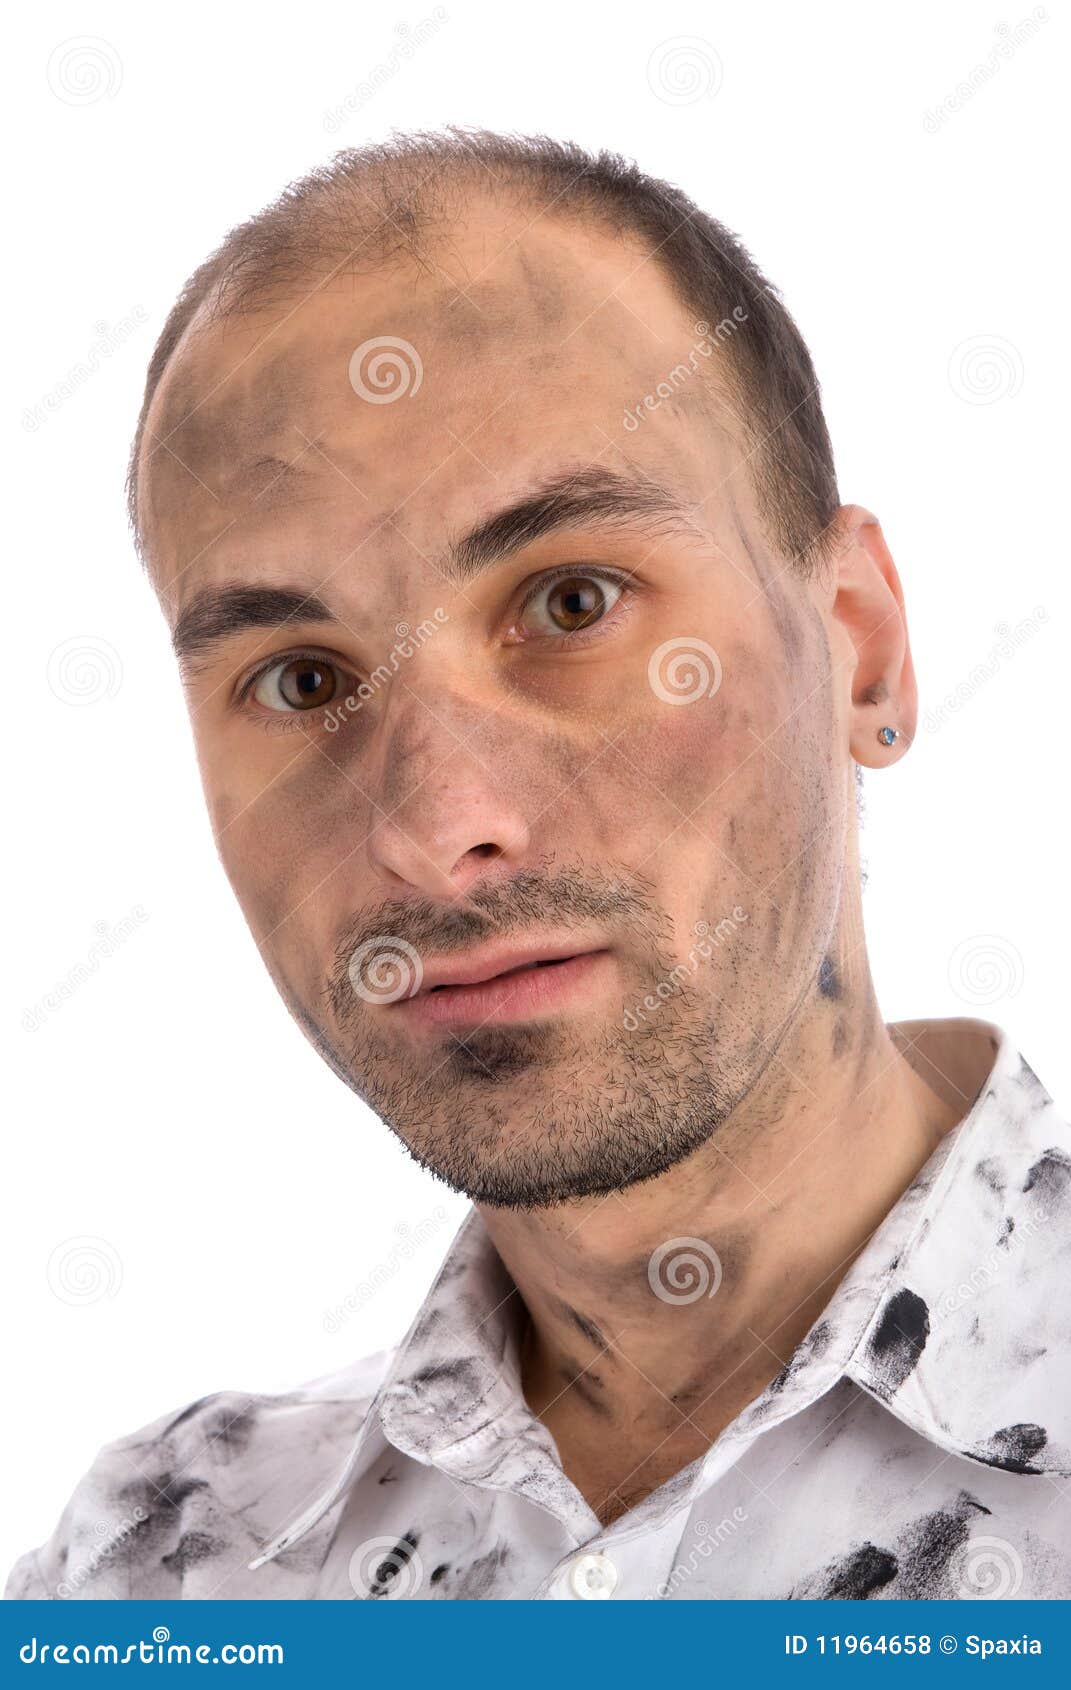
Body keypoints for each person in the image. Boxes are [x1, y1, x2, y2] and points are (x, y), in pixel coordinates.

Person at [8, 128, 1069, 1602]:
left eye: (572, 600)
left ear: (861, 646)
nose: (437, 827)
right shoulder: (161, 1569)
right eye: (303, 680)